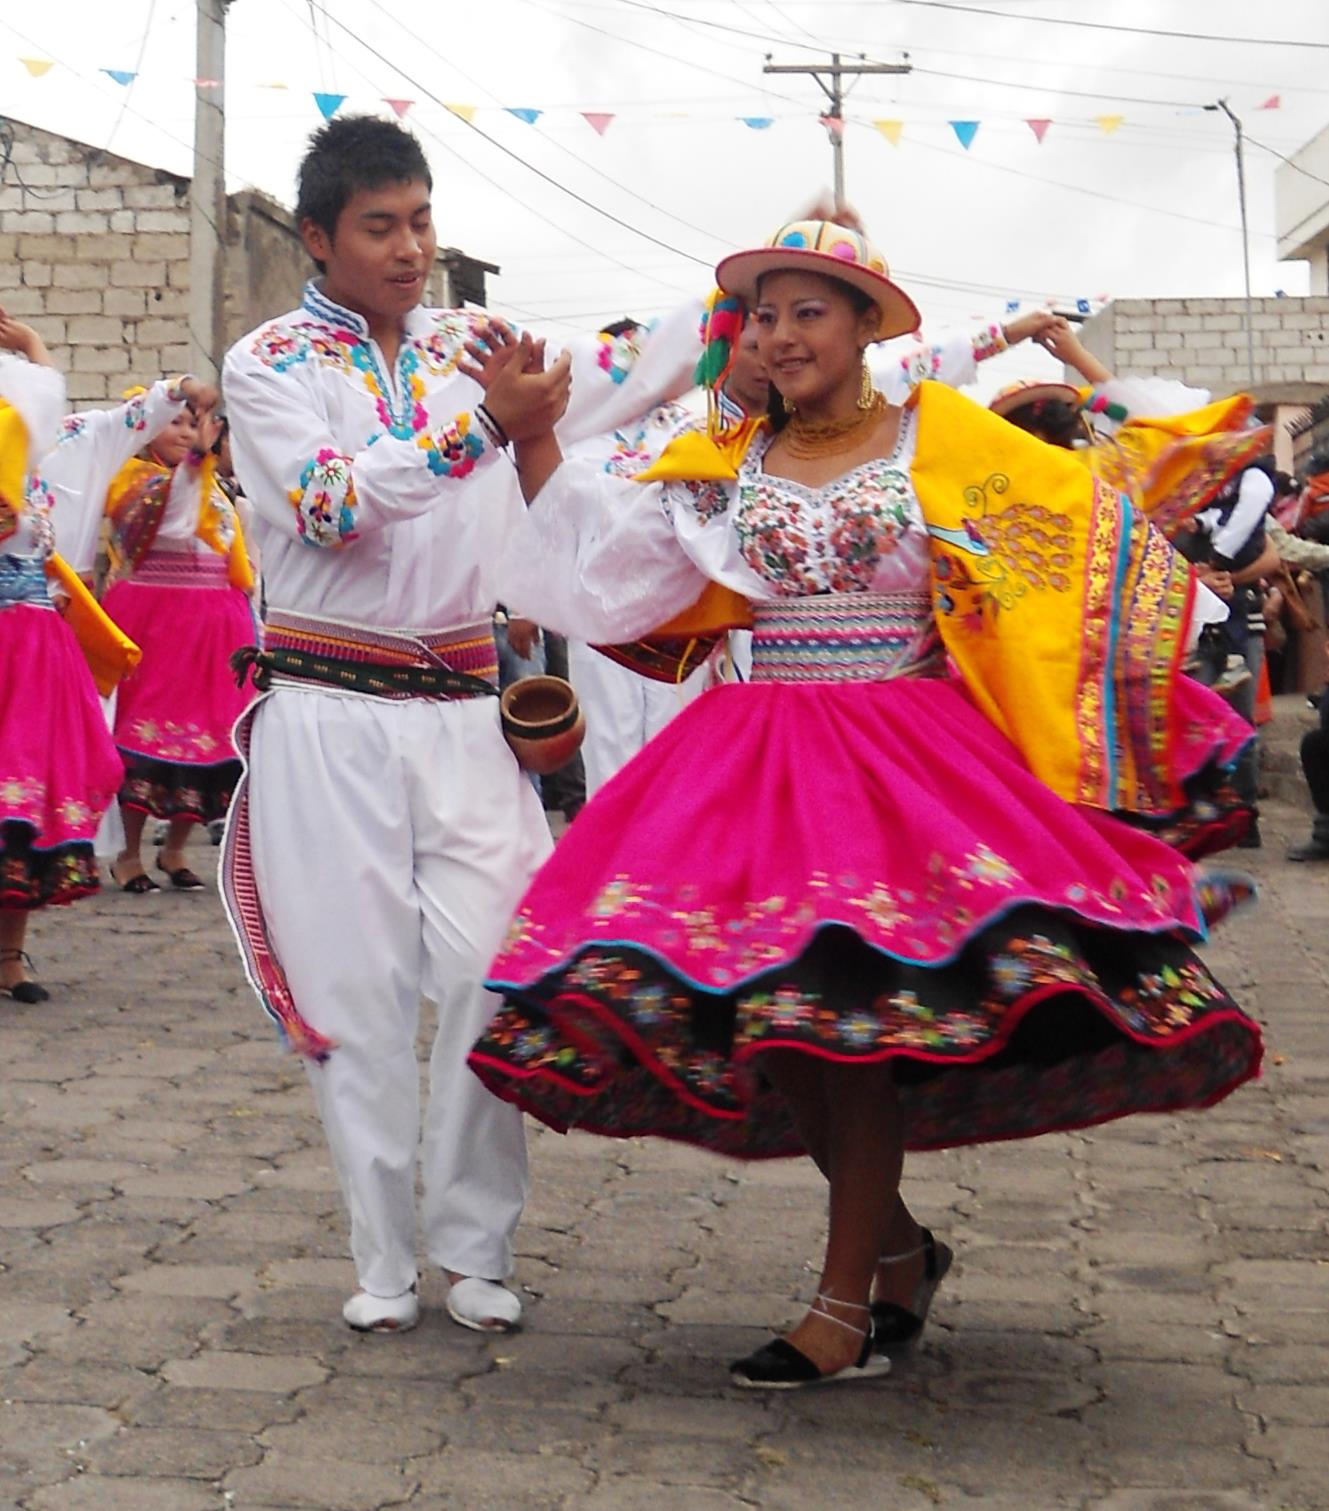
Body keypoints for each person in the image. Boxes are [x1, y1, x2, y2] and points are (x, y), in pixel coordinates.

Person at [464, 218, 1264, 1388]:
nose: (782, 335)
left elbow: (1077, 529)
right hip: (758, 756)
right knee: (784, 1027)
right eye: (766, 314)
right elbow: (604, 560)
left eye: (809, 311)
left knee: (851, 1035)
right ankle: (897, 1247)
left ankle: (841, 1307)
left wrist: (1150, 493)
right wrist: (534, 435)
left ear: (869, 325)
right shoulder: (726, 455)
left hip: (904, 759)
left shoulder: (944, 437)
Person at [221, 114, 703, 1337]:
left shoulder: (473, 343)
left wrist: (747, 296)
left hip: (463, 715)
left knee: (504, 967)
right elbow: (330, 507)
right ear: (319, 239)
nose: (409, 247)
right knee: (360, 998)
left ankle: (475, 1239)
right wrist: (480, 428)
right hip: (327, 715)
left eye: (422, 220)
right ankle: (384, 1257)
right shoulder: (267, 363)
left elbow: (632, 358)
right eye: (380, 226)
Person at [0, 313, 126, 1000]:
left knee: (22, 797)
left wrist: (32, 351)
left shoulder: (31, 480)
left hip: (28, 643)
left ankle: (10, 958)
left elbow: (41, 407)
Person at [97, 398, 256, 892]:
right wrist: (198, 461)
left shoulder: (215, 491)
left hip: (215, 626)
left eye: (194, 424)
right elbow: (177, 513)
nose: (187, 432)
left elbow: (238, 554)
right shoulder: (133, 483)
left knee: (213, 738)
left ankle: (174, 850)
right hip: (157, 626)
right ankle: (127, 854)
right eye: (177, 423)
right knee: (146, 738)